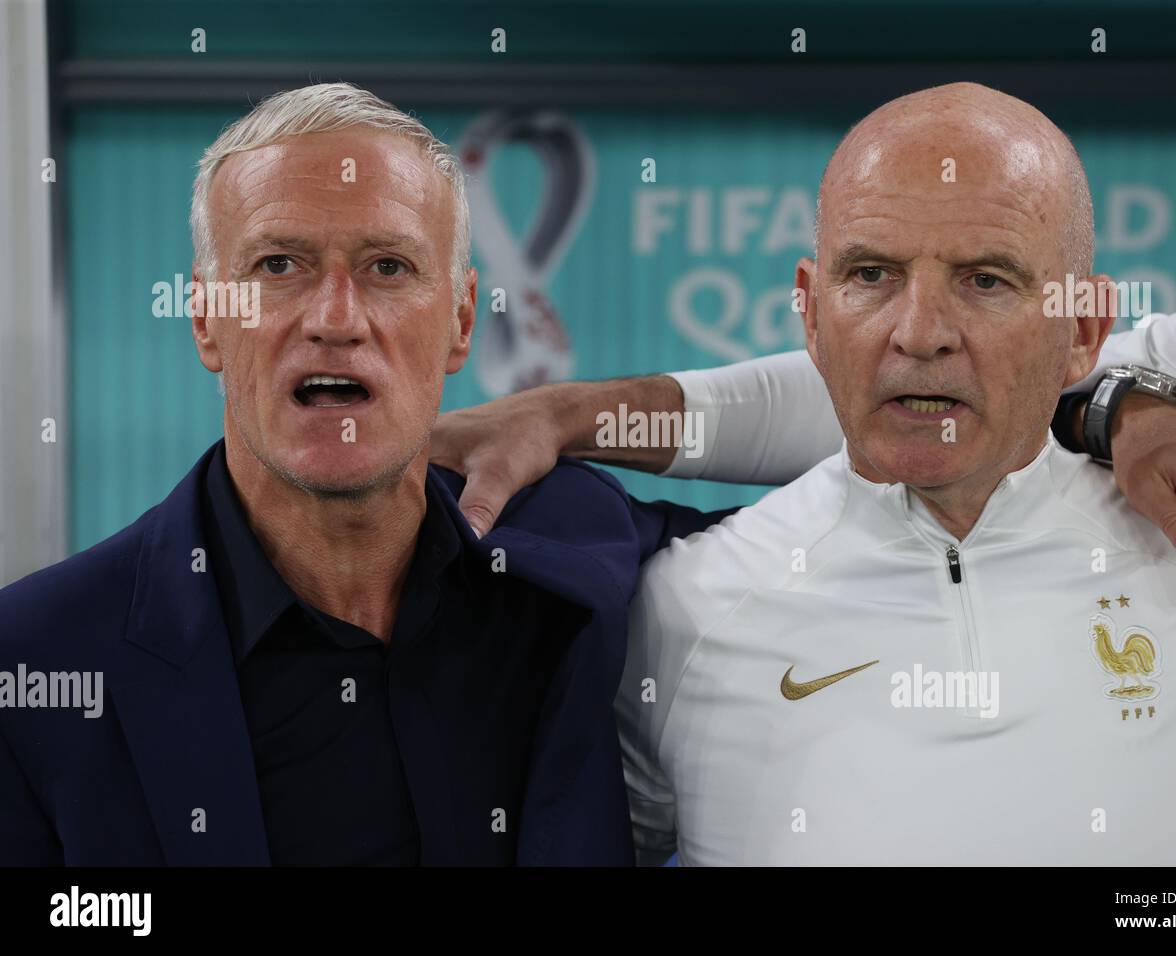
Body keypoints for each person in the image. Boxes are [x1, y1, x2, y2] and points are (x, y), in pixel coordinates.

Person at [428, 84, 1176, 865]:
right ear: (809, 312)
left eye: (985, 280)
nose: (919, 332)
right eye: (872, 275)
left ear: (1083, 329)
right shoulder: (682, 607)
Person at [0, 83, 718, 866]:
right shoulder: (37, 658)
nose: (336, 318)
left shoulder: (581, 542)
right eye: (279, 265)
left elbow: (866, 450)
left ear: (462, 321)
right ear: (205, 318)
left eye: (388, 266)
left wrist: (574, 415)